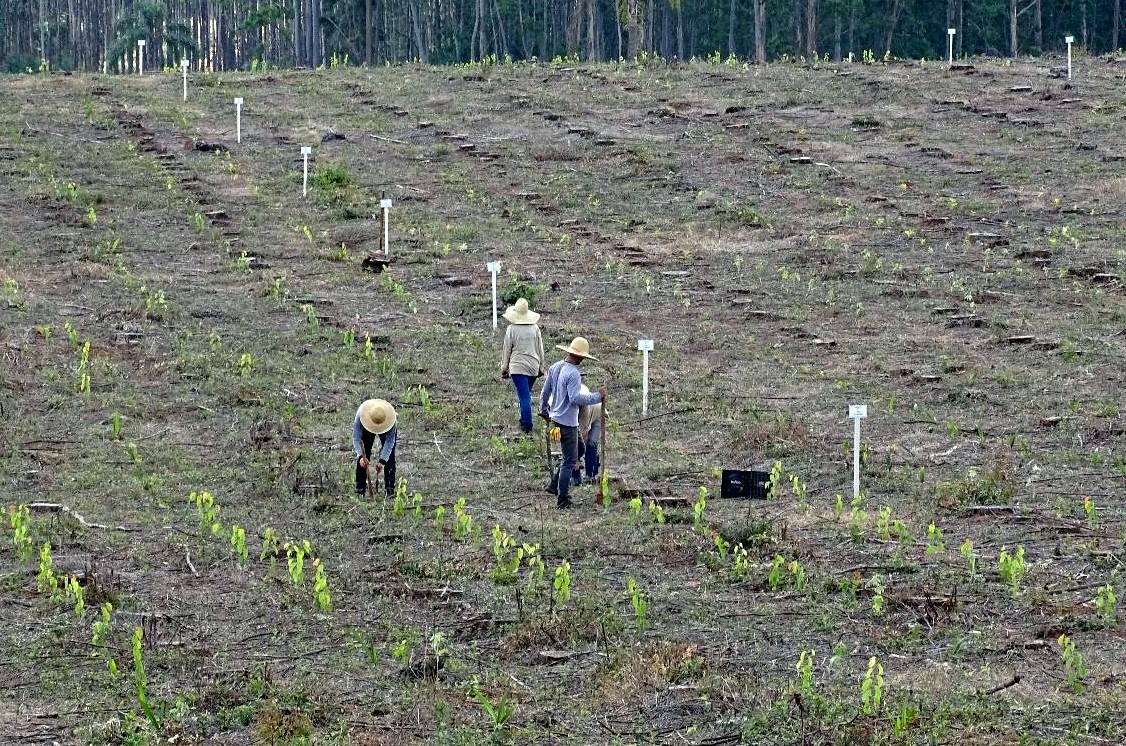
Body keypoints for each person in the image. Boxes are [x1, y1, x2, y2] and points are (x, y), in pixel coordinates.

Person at [538, 337, 607, 509]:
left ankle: (555, 484)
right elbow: (576, 398)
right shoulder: (573, 373)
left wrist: (543, 408)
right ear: (581, 356)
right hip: (567, 422)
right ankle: (562, 499)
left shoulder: (555, 367)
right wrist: (597, 396)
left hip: (558, 419)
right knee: (569, 461)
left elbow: (545, 391)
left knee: (581, 449)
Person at [499, 297, 546, 433]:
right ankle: (523, 419)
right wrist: (542, 367)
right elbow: (540, 349)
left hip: (518, 367)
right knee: (525, 394)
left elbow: (507, 349)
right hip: (533, 366)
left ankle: (527, 425)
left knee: (524, 396)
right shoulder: (535, 328)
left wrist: (504, 367)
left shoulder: (511, 329)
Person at [352, 398, 398, 497]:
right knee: (364, 457)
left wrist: (382, 461)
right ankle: (360, 489)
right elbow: (356, 438)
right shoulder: (361, 416)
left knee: (390, 457)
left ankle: (390, 489)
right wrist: (361, 456)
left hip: (387, 427)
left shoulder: (391, 420)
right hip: (366, 427)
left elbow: (390, 442)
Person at [576, 385, 603, 485]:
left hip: (598, 415)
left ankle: (591, 474)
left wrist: (576, 455)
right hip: (586, 417)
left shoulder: (584, 408)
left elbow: (583, 434)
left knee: (590, 443)